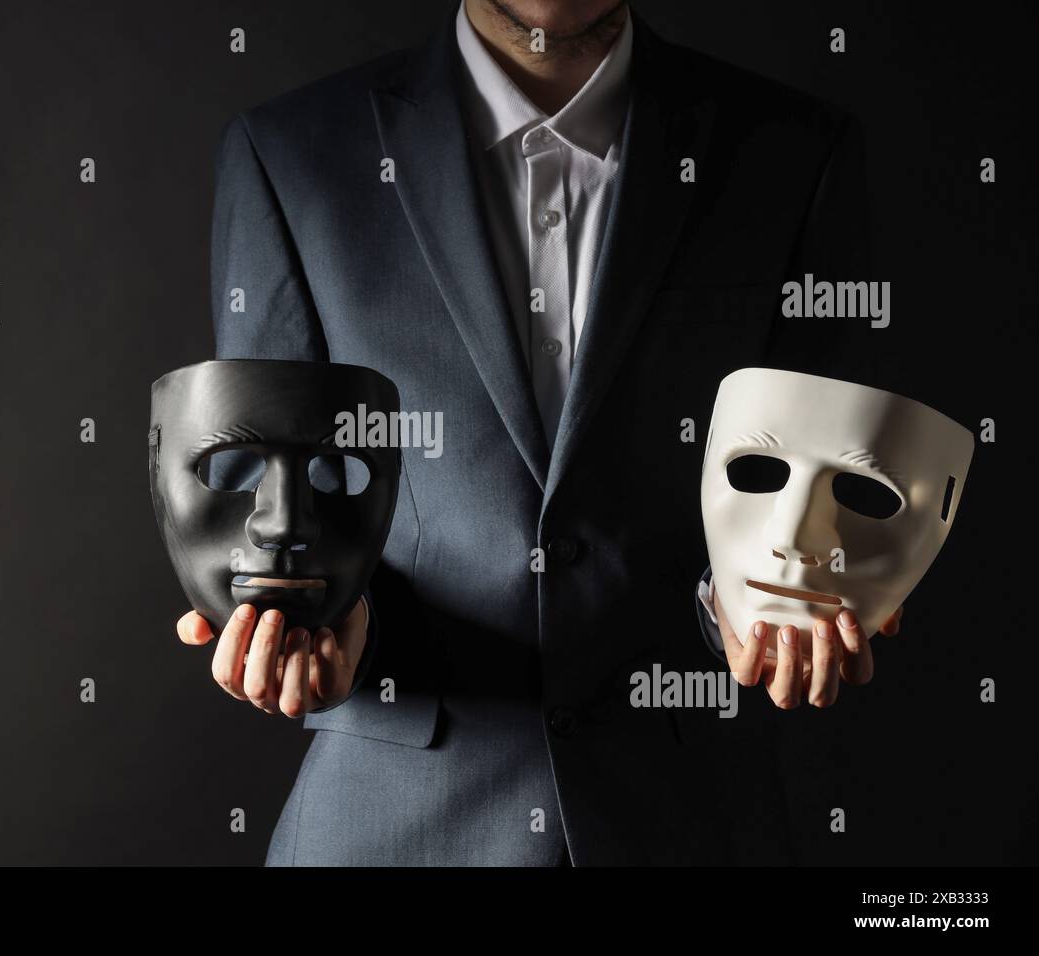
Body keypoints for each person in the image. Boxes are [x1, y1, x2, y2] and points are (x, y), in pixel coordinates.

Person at [177, 0, 897, 865]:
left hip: (691, 824)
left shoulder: (795, 152)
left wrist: (756, 606)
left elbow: (818, 490)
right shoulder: (288, 153)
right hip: (390, 834)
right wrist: (323, 622)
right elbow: (277, 499)